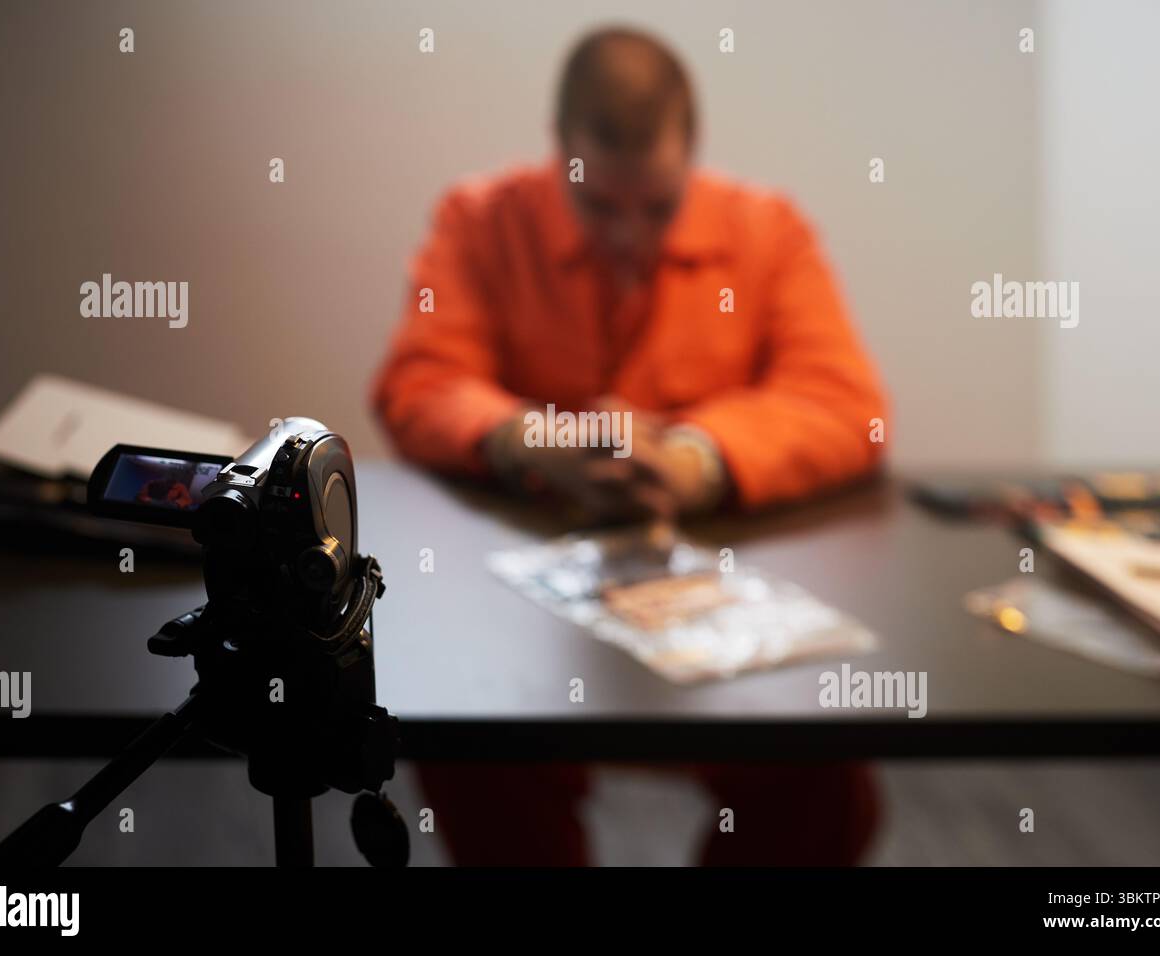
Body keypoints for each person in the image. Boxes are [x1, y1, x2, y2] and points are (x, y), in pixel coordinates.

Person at [372, 27, 887, 865]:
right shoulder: (477, 221)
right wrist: (529, 440)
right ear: (559, 155)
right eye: (600, 207)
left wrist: (697, 459)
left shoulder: (769, 230)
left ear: (693, 158)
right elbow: (420, 381)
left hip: (721, 604)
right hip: (514, 621)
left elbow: (845, 402)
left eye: (657, 207)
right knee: (467, 745)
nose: (629, 237)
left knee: (828, 779)